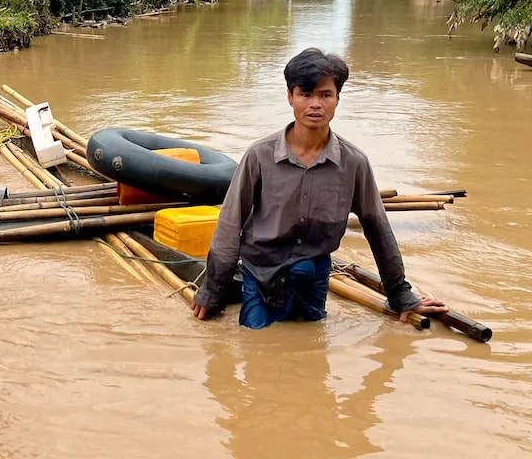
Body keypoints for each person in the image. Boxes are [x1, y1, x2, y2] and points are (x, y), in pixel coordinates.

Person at [191, 48, 447, 329]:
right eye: (306, 94)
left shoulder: (353, 162)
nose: (315, 104)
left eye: (325, 95)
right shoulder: (259, 155)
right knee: (255, 344)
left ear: (337, 99)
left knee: (314, 346)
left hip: (314, 270)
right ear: (290, 97)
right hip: (261, 268)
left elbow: (377, 227)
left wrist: (400, 294)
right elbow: (230, 223)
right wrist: (212, 291)